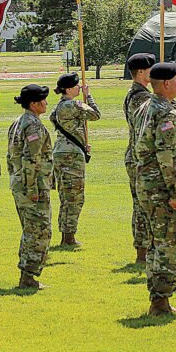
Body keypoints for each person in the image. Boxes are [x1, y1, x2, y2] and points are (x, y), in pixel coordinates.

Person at [135, 61, 176, 316]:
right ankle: (160, 302)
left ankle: (159, 299)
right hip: (162, 189)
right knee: (170, 242)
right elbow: (167, 156)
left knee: (157, 243)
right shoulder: (166, 113)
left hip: (147, 184)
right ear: (167, 84)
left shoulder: (145, 107)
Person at [7, 83, 53, 289]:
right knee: (39, 231)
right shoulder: (33, 126)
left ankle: (27, 273)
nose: (46, 103)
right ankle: (28, 275)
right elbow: (30, 158)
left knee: (30, 229)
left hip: (19, 182)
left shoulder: (18, 122)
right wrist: (33, 188)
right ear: (34, 104)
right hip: (32, 185)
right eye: (42, 100)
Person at [50, 72, 100, 247]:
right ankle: (69, 237)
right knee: (75, 196)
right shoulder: (73, 105)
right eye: (78, 85)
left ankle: (66, 234)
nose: (80, 87)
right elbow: (95, 114)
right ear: (69, 88)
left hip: (61, 151)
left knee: (66, 196)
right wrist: (88, 96)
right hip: (71, 155)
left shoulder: (57, 107)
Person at [123, 52, 155, 263]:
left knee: (142, 205)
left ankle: (145, 249)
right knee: (143, 207)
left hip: (136, 155)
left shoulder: (138, 93)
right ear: (141, 72)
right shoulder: (141, 97)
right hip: (140, 157)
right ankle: (142, 252)